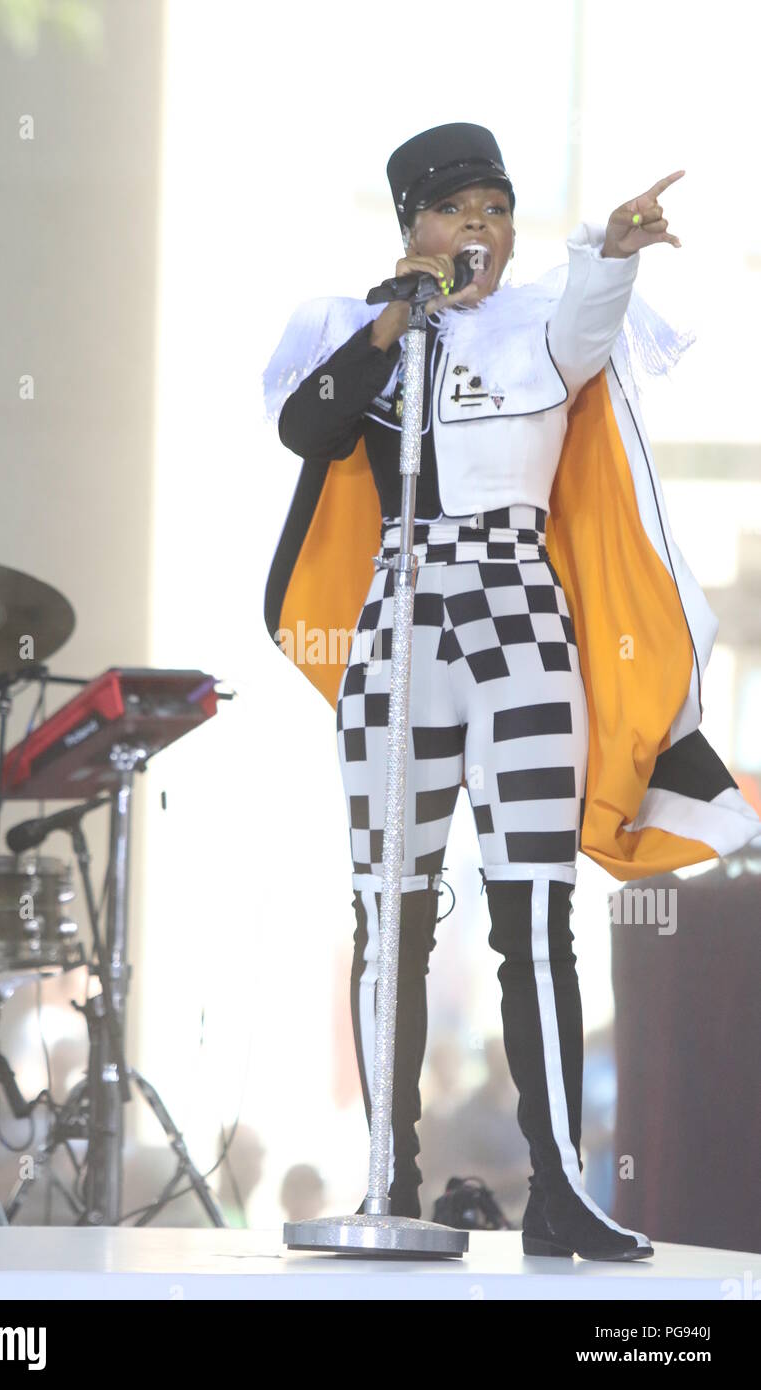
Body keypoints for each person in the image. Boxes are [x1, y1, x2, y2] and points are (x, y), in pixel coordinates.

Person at [262, 123, 761, 1262]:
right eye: (456, 208)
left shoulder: (542, 320)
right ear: (412, 227)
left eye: (496, 206)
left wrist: (615, 249)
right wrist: (397, 316)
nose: (481, 226)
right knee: (387, 907)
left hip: (519, 620)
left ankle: (560, 1188)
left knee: (531, 914)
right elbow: (308, 426)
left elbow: (591, 317)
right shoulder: (366, 336)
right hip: (393, 629)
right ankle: (390, 1170)